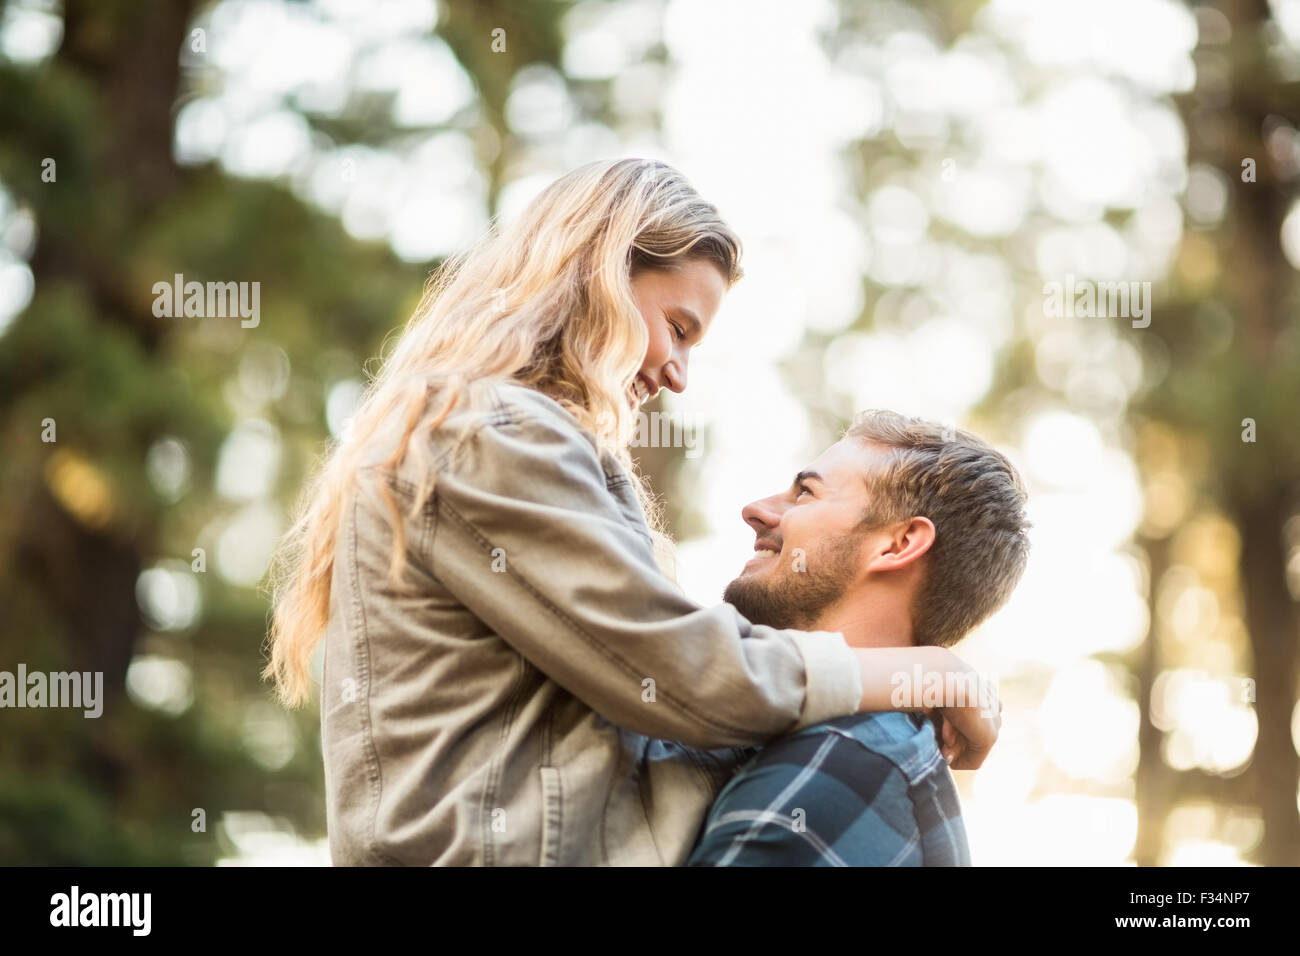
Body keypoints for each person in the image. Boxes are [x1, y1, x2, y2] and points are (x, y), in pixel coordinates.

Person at [263, 158, 1000, 866]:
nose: (678, 375)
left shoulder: (511, 438)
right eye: (677, 328)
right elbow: (679, 672)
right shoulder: (489, 434)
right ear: (599, 274)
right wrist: (920, 675)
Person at [688, 411, 1030, 866]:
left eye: (805, 492)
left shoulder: (840, 764)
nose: (756, 510)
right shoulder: (836, 748)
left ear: (898, 544)